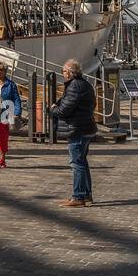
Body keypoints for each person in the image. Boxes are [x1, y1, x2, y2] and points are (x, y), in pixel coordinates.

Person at [50, 58, 97, 207]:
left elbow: (65, 109)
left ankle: (78, 196)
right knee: (82, 162)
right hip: (85, 126)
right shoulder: (85, 84)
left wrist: (52, 109)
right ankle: (86, 194)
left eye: (64, 71)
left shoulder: (74, 86)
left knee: (76, 163)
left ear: (70, 73)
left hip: (77, 129)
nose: (62, 74)